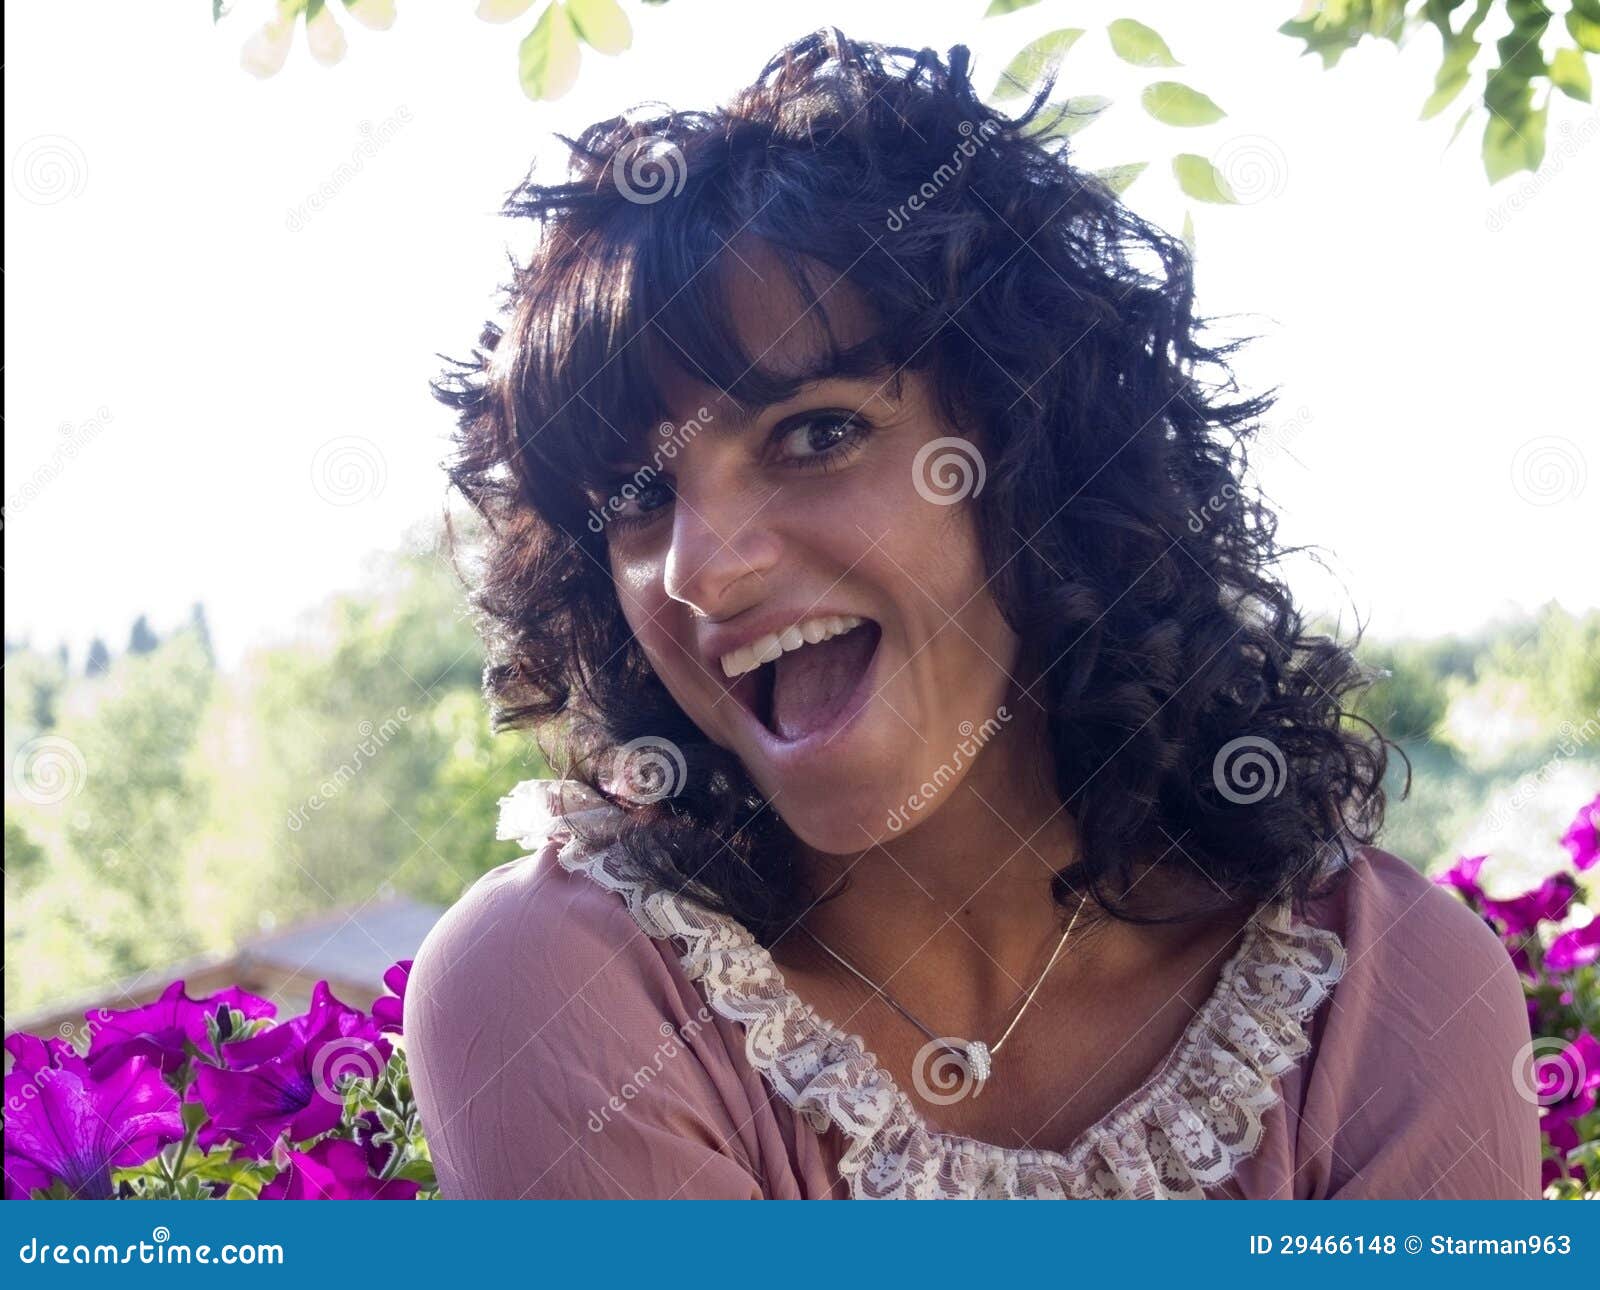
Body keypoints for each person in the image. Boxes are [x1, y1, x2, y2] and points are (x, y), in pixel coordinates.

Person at [404, 29, 1540, 1200]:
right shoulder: (563, 987)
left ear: (1032, 441)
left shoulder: (1387, 989)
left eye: (815, 433)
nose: (699, 569)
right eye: (637, 500)